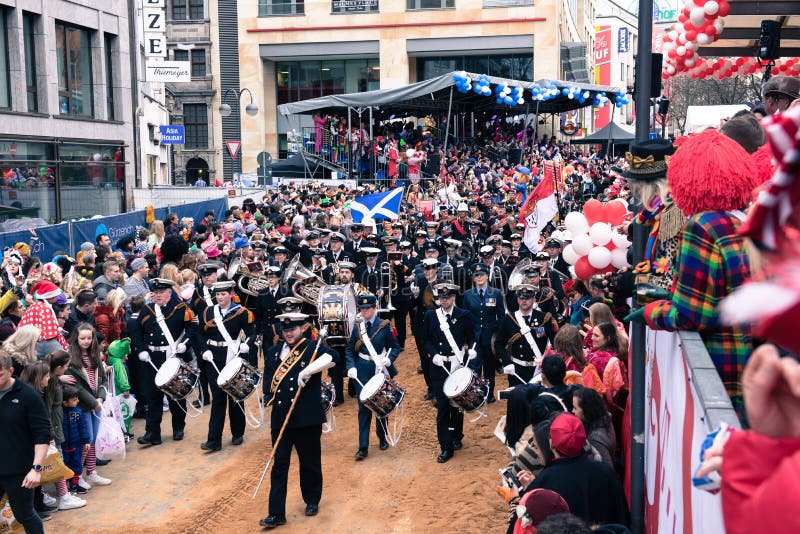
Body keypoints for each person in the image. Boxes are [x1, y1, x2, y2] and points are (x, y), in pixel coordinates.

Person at [260, 313, 337, 529]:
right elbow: (268, 381)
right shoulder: (273, 351)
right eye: (285, 330)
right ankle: (276, 513)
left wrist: (310, 370)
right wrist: (268, 396)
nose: (289, 333)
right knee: (279, 465)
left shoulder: (312, 348)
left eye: (292, 329)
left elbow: (334, 358)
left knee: (309, 462)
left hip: (306, 418)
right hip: (281, 418)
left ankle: (312, 500)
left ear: (301, 328)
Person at [520, 413, 628, 526]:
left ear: (551, 444)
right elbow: (623, 519)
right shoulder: (607, 473)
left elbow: (522, 525)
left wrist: (519, 498)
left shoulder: (544, 481)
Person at [133, 278, 199, 446]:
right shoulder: (147, 310)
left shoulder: (181, 309)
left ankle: (178, 427)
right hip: (152, 358)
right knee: (153, 396)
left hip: (173, 356)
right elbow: (137, 332)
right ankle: (152, 433)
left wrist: (185, 345)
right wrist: (141, 350)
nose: (157, 295)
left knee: (176, 394)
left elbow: (192, 331)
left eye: (161, 292)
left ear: (170, 293)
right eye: (155, 292)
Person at [199, 279, 256, 451]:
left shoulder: (242, 312)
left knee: (235, 395)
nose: (220, 297)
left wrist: (247, 344)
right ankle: (214, 440)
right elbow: (199, 334)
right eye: (217, 294)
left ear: (231, 295)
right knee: (217, 397)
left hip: (233, 355)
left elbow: (253, 332)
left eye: (223, 294)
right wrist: (204, 350)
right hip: (213, 358)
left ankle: (237, 433)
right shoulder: (208, 312)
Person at [423, 282, 478, 463]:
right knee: (443, 407)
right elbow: (425, 339)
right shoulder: (431, 316)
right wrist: (433, 354)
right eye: (441, 298)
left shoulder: (464, 315)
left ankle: (456, 436)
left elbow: (471, 335)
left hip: (457, 364)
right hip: (439, 367)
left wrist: (471, 348)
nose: (444, 300)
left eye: (447, 297)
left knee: (457, 404)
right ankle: (445, 447)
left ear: (453, 298)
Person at [345, 293, 401, 460]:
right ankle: (363, 446)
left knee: (381, 405)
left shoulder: (384, 325)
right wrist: (351, 367)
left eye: (368, 308)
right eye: (362, 309)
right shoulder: (357, 326)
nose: (365, 311)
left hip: (379, 369)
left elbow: (395, 347)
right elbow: (349, 350)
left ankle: (382, 436)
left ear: (375, 308)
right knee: (363, 408)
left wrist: (389, 360)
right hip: (362, 370)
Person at [0, 351, 51, 534]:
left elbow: (43, 434)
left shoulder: (28, 395)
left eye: (0, 374)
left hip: (19, 471)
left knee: (25, 515)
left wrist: (36, 469)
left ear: (11, 370)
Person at [65, 322, 112, 489]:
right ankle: (76, 477)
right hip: (82, 406)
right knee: (85, 441)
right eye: (82, 338)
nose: (85, 341)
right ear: (76, 339)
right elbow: (75, 386)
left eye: (89, 338)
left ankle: (91, 472)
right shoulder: (70, 358)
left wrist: (100, 398)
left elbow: (103, 380)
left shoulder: (95, 355)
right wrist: (94, 402)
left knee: (91, 441)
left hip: (96, 405)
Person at [496, 284, 556, 386]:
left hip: (539, 370)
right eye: (521, 298)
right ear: (517, 300)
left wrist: (549, 362)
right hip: (517, 370)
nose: (524, 301)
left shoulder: (544, 318)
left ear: (533, 299)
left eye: (527, 298)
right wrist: (507, 362)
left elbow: (555, 343)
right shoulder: (509, 319)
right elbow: (499, 344)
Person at [463, 263, 505, 401]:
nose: (479, 277)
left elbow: (501, 316)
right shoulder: (468, 295)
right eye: (476, 275)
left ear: (487, 276)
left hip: (490, 337)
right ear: (473, 278)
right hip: (474, 337)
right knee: (474, 367)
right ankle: (476, 395)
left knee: (489, 367)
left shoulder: (496, 293)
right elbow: (465, 317)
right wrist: (466, 339)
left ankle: (488, 394)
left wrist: (497, 336)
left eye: (482, 275)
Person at [18, 281, 68, 358]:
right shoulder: (43, 308)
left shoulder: (37, 305)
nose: (57, 297)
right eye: (55, 295)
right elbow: (49, 332)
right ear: (49, 296)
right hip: (40, 343)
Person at [572, 386, 616, 467]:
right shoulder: (604, 417)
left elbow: (607, 469)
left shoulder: (595, 440)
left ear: (587, 410)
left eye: (575, 408)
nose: (573, 411)